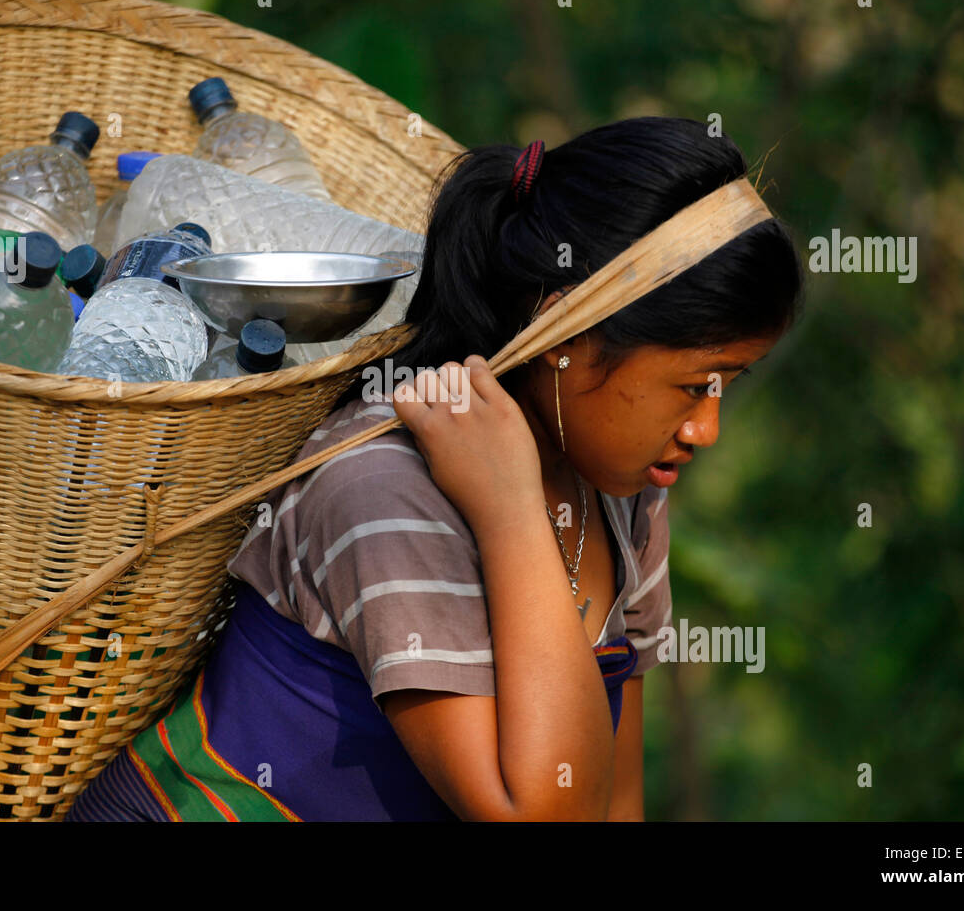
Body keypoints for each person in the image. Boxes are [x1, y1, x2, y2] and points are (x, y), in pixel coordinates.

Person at [63, 116, 805, 822]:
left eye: (727, 387)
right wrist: (510, 509)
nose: (706, 429)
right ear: (565, 331)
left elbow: (614, 804)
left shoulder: (625, 498)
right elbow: (547, 812)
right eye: (694, 384)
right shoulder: (382, 490)